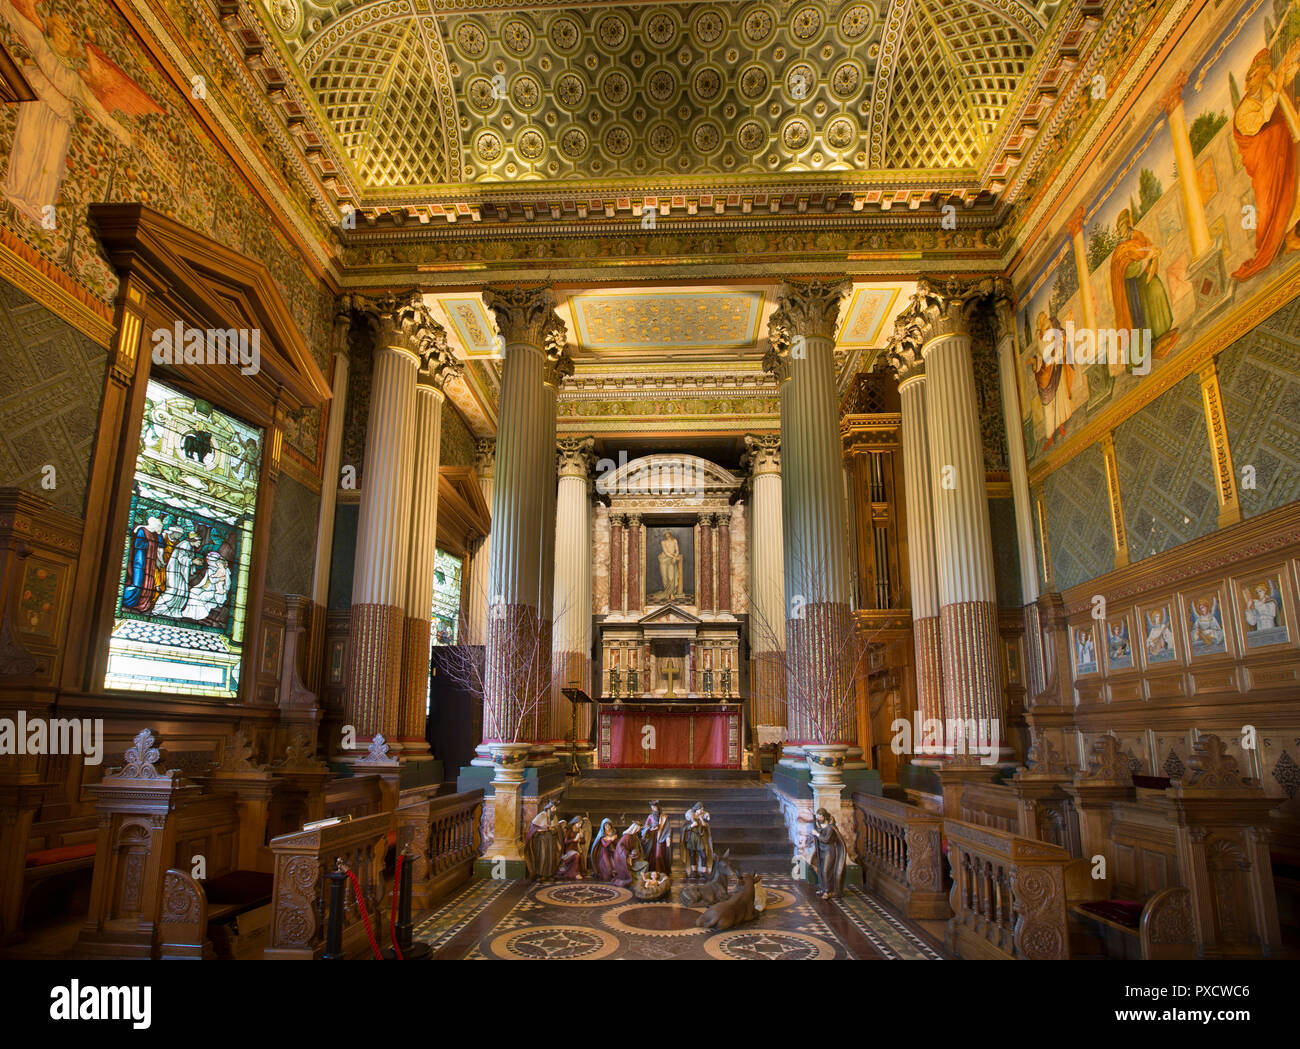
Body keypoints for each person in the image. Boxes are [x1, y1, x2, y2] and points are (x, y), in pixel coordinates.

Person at [1232, 47, 1300, 281]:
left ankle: (1292, 235)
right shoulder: (1244, 108)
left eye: (1263, 73)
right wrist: (1277, 90)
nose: (1256, 79)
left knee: (1294, 189)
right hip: (1267, 164)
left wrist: (1291, 58)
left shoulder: (1268, 86)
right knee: (1275, 202)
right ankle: (1288, 239)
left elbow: (1284, 75)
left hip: (1286, 148)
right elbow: (1254, 124)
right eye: (1259, 74)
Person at [1108, 208, 1177, 356]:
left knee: (1156, 288)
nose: (1121, 232)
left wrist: (1154, 254)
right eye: (1119, 229)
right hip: (1132, 287)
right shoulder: (1121, 250)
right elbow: (1128, 270)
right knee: (1144, 306)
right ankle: (1151, 342)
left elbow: (1148, 248)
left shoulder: (1138, 237)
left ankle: (1162, 334)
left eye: (1122, 227)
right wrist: (1146, 258)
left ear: (1128, 225)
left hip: (1145, 277)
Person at [809, 808, 851, 900]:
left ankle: (828, 891)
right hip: (821, 850)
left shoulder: (830, 828)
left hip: (829, 851)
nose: (819, 818)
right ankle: (823, 888)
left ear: (825, 816)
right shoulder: (820, 825)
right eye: (818, 816)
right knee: (820, 869)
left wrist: (817, 834)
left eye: (821, 816)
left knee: (826, 870)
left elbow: (826, 840)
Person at [523, 801, 562, 881]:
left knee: (551, 857)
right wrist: (543, 829)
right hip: (542, 841)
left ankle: (550, 874)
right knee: (543, 857)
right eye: (553, 808)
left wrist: (552, 829)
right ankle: (541, 874)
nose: (555, 810)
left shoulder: (554, 817)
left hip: (551, 840)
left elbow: (557, 830)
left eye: (555, 808)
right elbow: (533, 829)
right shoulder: (540, 816)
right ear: (548, 808)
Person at [680, 802, 713, 880]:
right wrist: (691, 825)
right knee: (692, 855)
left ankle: (704, 871)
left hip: (699, 838)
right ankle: (693, 871)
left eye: (703, 810)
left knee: (703, 855)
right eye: (701, 809)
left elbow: (705, 826)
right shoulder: (689, 818)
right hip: (691, 838)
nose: (702, 811)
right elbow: (684, 828)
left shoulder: (700, 818)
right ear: (697, 809)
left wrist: (701, 819)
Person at [641, 801, 672, 875]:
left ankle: (660, 872)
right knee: (651, 855)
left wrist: (668, 838)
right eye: (652, 807)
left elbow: (668, 829)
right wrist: (650, 829)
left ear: (658, 807)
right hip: (652, 838)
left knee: (659, 855)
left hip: (660, 838)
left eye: (654, 807)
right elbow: (646, 827)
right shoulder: (650, 817)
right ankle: (652, 872)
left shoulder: (664, 817)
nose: (653, 809)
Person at [612, 821, 644, 888]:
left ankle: (638, 879)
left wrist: (635, 853)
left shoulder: (634, 836)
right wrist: (628, 855)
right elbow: (621, 848)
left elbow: (635, 846)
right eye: (638, 829)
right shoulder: (627, 837)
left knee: (645, 863)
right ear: (635, 828)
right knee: (645, 864)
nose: (639, 831)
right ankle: (635, 878)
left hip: (632, 856)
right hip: (623, 858)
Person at [656, 530, 683, 602]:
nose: (667, 535)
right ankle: (667, 593)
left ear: (670, 534)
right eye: (665, 534)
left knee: (671, 577)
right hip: (664, 559)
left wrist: (675, 556)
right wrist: (673, 557)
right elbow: (665, 552)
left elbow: (677, 550)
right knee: (665, 577)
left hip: (672, 559)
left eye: (668, 534)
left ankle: (671, 594)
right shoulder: (663, 542)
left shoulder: (674, 540)